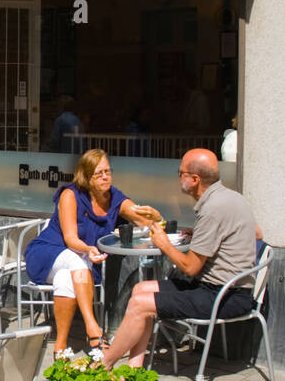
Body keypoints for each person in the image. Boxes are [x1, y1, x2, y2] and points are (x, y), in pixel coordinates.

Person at [103, 148, 260, 369]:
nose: (179, 176)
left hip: (223, 295)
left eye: (181, 172)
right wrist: (204, 236)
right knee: (140, 290)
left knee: (140, 304)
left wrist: (164, 244)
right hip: (228, 289)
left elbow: (191, 268)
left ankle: (104, 364)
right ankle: (133, 370)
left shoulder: (213, 208)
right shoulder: (231, 197)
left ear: (195, 180)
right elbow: (257, 233)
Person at [24, 149, 161, 357]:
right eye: (99, 173)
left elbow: (146, 220)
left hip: (82, 263)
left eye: (108, 171)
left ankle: (59, 348)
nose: (105, 177)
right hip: (48, 253)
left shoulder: (115, 198)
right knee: (75, 260)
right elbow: (70, 239)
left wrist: (156, 215)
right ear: (86, 176)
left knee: (66, 278)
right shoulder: (70, 195)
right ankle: (93, 330)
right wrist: (88, 250)